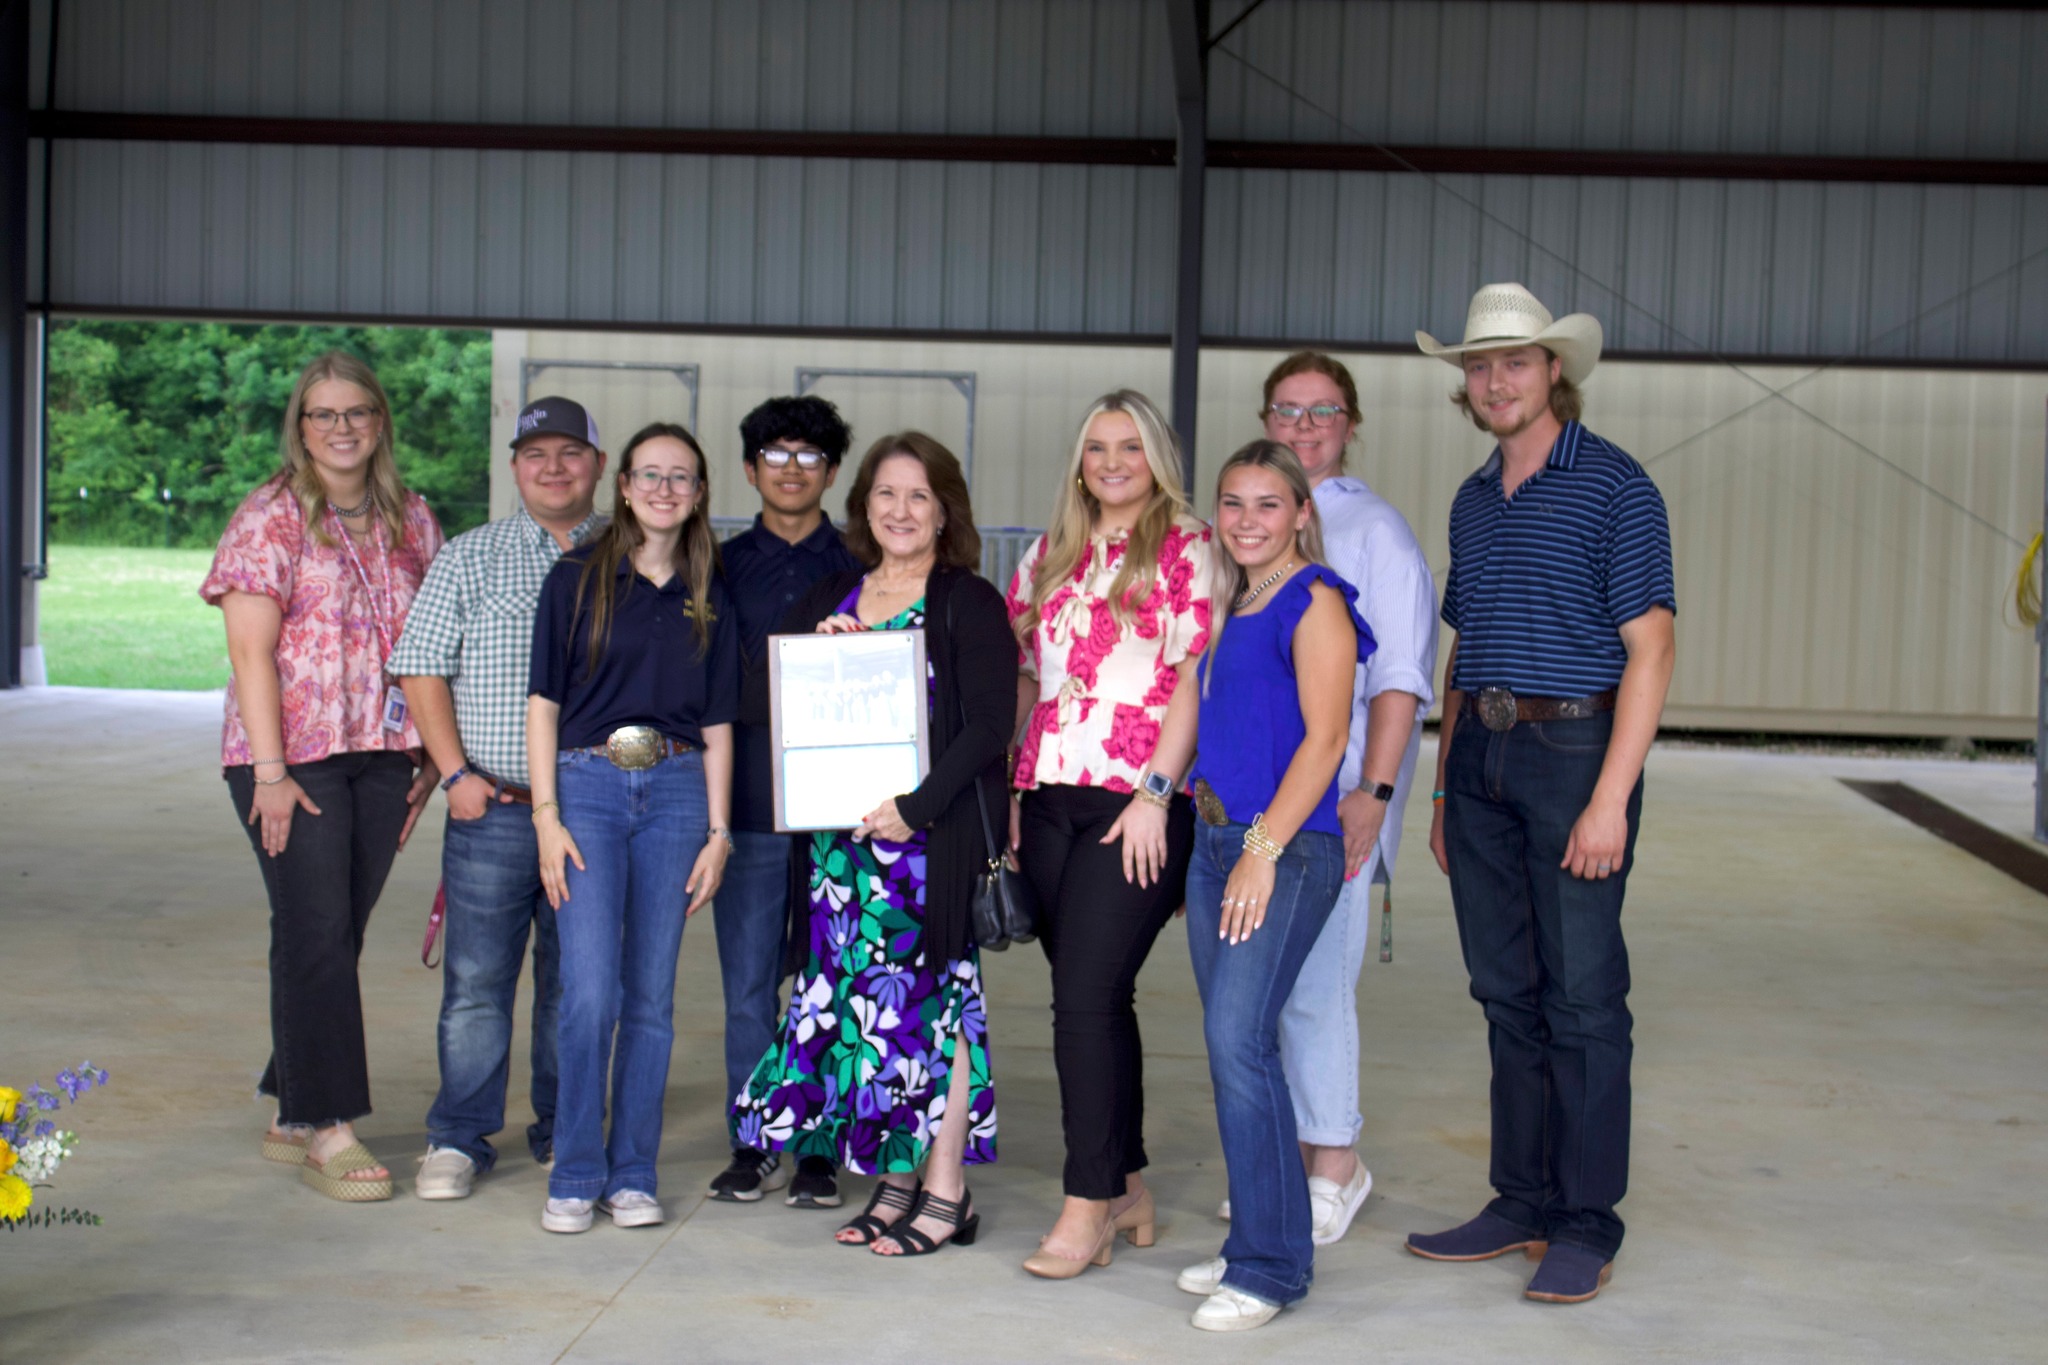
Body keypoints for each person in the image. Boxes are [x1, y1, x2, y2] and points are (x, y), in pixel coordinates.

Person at [1405, 283, 1676, 1304]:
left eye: (1512, 362)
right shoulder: (1472, 499)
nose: (1494, 381)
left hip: (1573, 755)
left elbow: (1649, 649)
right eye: (1477, 366)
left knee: (1580, 998)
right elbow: (1461, 648)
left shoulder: (1615, 487)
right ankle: (1517, 1198)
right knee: (1502, 991)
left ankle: (1583, 1219)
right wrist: (1441, 788)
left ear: (1552, 369)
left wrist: (1610, 797)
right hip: (1480, 760)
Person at [731, 432, 1009, 1258]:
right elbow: (760, 698)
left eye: (919, 496)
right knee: (869, 1016)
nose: (900, 510)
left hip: (927, 842)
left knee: (940, 1008)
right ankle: (896, 1177)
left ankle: (948, 1189)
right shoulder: (832, 591)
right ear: (864, 507)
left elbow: (992, 724)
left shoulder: (968, 599)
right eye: (886, 494)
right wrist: (820, 655)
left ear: (945, 509)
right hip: (842, 856)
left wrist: (915, 808)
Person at [202, 350, 445, 1203]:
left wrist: (427, 756)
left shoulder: (412, 519)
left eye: (357, 412)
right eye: (323, 414)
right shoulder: (270, 516)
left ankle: (289, 1102)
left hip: (383, 754)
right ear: (300, 427)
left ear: (379, 421)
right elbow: (249, 650)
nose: (341, 428)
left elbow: (430, 648)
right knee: (313, 927)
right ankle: (331, 1124)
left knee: (332, 931)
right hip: (290, 757)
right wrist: (269, 771)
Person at [1227, 352, 1437, 1244]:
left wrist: (1375, 792)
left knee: (1316, 986)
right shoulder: (1241, 528)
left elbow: (1398, 677)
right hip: (1252, 804)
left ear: (1350, 422)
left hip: (1333, 800)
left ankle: (1335, 1165)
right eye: (1288, 409)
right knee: (1264, 994)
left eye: (1323, 411)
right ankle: (1285, 1159)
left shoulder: (1375, 533)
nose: (1305, 425)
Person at [1004, 390, 1211, 1278]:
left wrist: (1156, 796)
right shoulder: (1048, 553)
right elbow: (1023, 678)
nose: (1113, 461)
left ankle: (1085, 1203)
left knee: (1082, 997)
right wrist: (1009, 787)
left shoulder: (1189, 547)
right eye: (1098, 446)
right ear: (1080, 459)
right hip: (1046, 798)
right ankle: (1126, 1182)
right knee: (1099, 996)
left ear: (1156, 455)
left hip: (1135, 804)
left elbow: (1194, 680)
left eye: (1131, 446)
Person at [1175, 440, 1375, 1332]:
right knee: (1236, 1049)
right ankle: (1262, 1233)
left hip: (1284, 848)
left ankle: (1269, 1269)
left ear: (1301, 512)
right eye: (1233, 503)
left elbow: (1326, 742)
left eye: (1268, 503)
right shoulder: (1231, 600)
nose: (1248, 520)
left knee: (1238, 1038)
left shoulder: (1316, 599)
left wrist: (1258, 847)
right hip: (1217, 840)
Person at [390, 396, 609, 1199]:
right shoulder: (470, 557)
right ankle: (458, 1134)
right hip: (499, 810)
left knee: (576, 981)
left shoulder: (629, 555)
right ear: (514, 466)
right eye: (535, 454)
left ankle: (563, 1125)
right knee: (478, 982)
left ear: (599, 462)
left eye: (570, 453)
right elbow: (421, 665)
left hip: (594, 813)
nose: (553, 468)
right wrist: (455, 774)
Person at [526, 422, 738, 1234]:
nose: (663, 488)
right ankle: (576, 1169)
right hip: (587, 790)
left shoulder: (710, 586)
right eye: (649, 474)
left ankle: (633, 1173)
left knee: (651, 996)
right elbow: (543, 704)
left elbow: (719, 719)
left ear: (698, 492)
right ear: (622, 485)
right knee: (588, 993)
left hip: (680, 793)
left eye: (680, 476)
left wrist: (719, 830)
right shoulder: (577, 577)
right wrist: (546, 816)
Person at [709, 395, 860, 1209]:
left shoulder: (865, 565)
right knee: (749, 984)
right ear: (750, 469)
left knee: (831, 980)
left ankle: (820, 1149)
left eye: (809, 456)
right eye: (777, 455)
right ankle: (753, 1136)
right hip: (755, 804)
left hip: (845, 816)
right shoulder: (721, 568)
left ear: (831, 472)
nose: (793, 469)